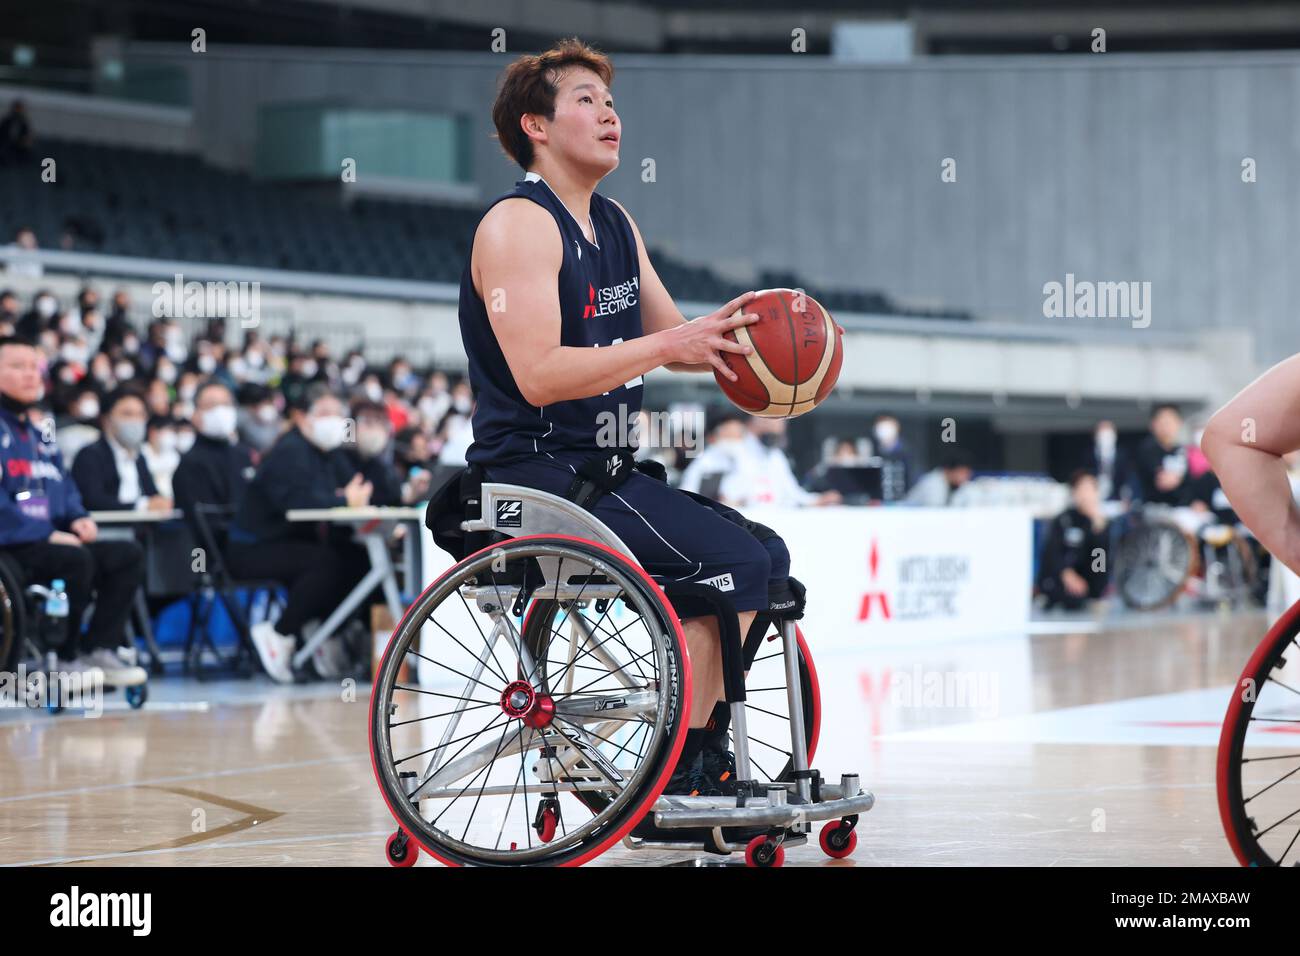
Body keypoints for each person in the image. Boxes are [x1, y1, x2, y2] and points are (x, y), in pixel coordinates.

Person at [459, 38, 806, 796]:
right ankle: (683, 765)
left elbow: (679, 343)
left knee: (766, 554)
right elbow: (539, 374)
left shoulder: (614, 221)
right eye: (586, 99)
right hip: (535, 472)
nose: (609, 113)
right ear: (536, 126)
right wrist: (670, 342)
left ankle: (698, 749)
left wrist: (746, 345)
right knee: (735, 566)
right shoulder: (517, 226)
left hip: (602, 471)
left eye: (611, 102)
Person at [0, 336, 145, 684]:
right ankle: (63, 657)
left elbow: (63, 488)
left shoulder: (41, 435)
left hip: (51, 539)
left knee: (127, 555)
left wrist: (78, 516)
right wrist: (46, 533)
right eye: (16, 367)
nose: (30, 375)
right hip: (12, 544)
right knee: (75, 560)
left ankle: (98, 649)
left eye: (34, 367)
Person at [227, 385, 372, 682]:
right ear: (302, 418)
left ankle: (322, 630)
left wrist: (353, 494)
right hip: (252, 548)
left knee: (358, 558)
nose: (334, 421)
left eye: (338, 414)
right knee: (326, 563)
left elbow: (356, 486)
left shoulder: (328, 454)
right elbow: (299, 502)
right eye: (325, 413)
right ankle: (280, 633)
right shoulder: (290, 450)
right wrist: (345, 499)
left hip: (290, 543)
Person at [70, 387, 173, 512]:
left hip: (142, 529)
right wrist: (141, 506)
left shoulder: (139, 457)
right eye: (127, 414)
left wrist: (160, 501)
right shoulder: (90, 455)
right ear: (106, 419)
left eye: (140, 414)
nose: (135, 421)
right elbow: (92, 501)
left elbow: (151, 494)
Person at [1037, 470, 1110, 610]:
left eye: (1090, 489)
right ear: (1074, 492)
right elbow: (1052, 552)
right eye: (1082, 489)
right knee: (1068, 596)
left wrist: (1099, 532)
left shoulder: (1099, 523)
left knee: (1088, 591)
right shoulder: (1064, 519)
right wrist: (1066, 574)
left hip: (1087, 580)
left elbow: (1099, 564)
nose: (1086, 494)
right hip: (1062, 576)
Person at [1134, 403, 1189, 506]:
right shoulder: (1147, 450)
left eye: (1170, 421)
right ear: (1153, 424)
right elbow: (1162, 481)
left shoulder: (1183, 451)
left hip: (1181, 507)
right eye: (1162, 421)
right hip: (1152, 506)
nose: (1166, 426)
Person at [905, 449, 975, 506]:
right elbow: (934, 515)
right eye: (963, 473)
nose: (966, 477)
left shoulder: (950, 484)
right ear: (948, 470)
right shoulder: (933, 484)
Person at [872, 413, 914, 502]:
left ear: (896, 426)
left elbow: (912, 478)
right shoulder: (872, 449)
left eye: (887, 424)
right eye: (880, 425)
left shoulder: (907, 451)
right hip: (876, 503)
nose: (883, 429)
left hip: (902, 502)